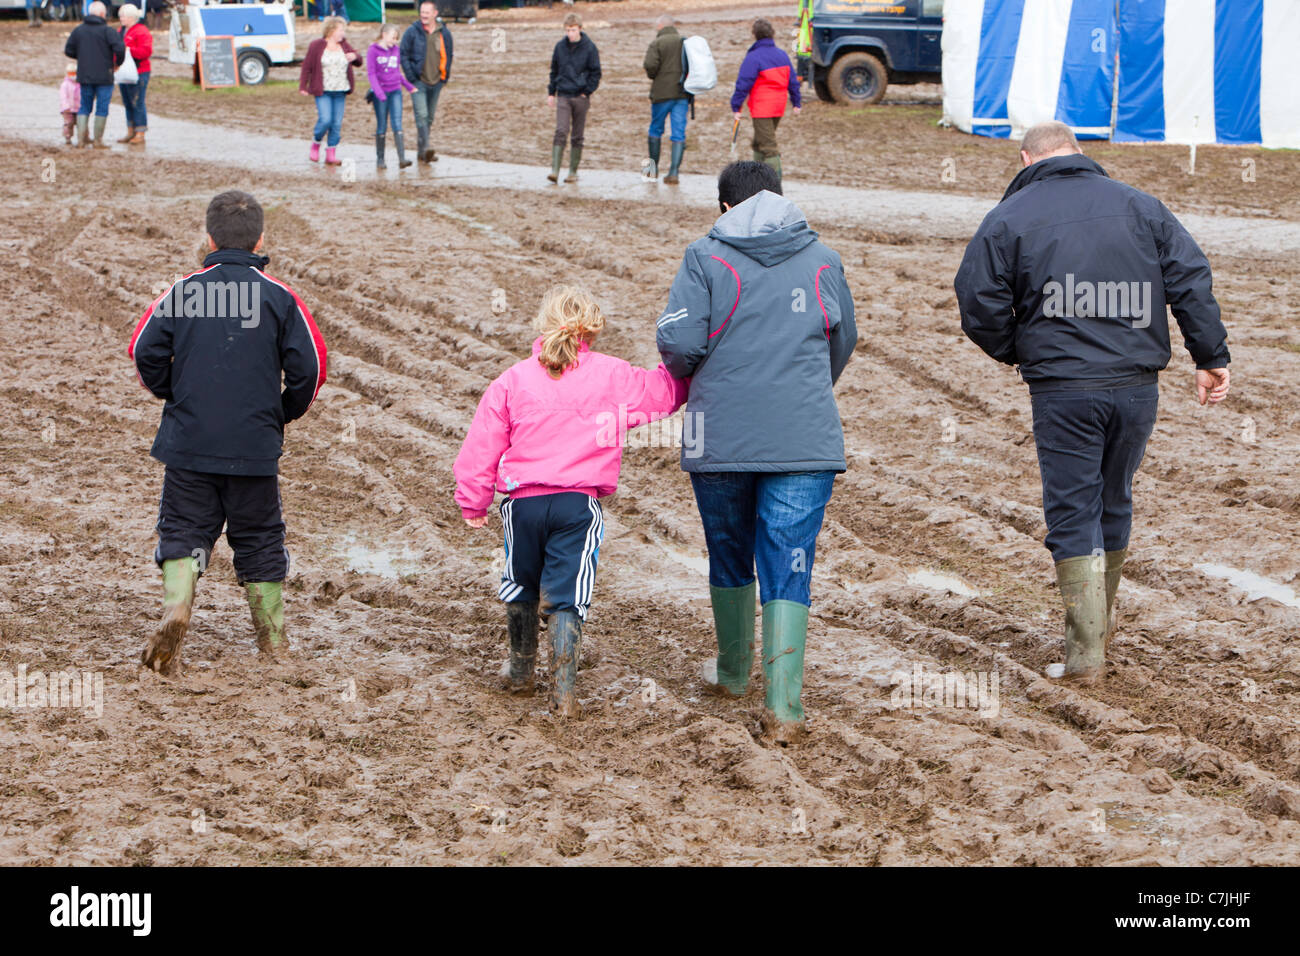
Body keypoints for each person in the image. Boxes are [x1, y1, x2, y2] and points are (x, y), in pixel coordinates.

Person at [954, 121, 1232, 684]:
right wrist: (1211, 357)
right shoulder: (1142, 206)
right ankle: (1095, 636)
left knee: (1072, 508)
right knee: (1114, 499)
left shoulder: (1008, 216)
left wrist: (1021, 351)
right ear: (1079, 152)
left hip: (1064, 390)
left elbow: (977, 301)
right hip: (1136, 386)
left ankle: (1084, 656)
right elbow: (1190, 279)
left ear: (1028, 157)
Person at [655, 162, 857, 745]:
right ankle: (785, 705)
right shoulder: (824, 257)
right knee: (789, 558)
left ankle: (731, 673)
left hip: (720, 435)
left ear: (724, 208)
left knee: (729, 548)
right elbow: (842, 340)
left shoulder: (704, 256)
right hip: (805, 438)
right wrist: (805, 391)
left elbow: (680, 341)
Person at [453, 287, 687, 718]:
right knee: (567, 594)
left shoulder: (514, 378)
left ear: (543, 327)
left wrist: (474, 501)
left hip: (521, 504)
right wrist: (690, 360)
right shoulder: (614, 376)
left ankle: (520, 673)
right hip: (576, 506)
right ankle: (563, 693)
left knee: (520, 580)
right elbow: (665, 395)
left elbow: (482, 443)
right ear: (593, 333)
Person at [129, 191, 328, 675]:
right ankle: (274, 644)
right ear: (261, 239)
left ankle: (177, 611)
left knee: (183, 530)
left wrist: (174, 395)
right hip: (253, 449)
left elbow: (142, 351)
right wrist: (280, 412)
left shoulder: (183, 290)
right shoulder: (280, 296)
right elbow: (313, 367)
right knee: (259, 537)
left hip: (190, 444)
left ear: (209, 237)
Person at [731, 18, 800, 181]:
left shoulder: (753, 57)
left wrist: (736, 105)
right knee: (758, 142)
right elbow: (793, 81)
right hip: (778, 107)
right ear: (772, 34)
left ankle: (773, 185)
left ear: (754, 35)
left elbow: (743, 83)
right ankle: (758, 179)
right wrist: (797, 102)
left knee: (769, 147)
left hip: (762, 108)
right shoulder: (782, 55)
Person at [299, 16, 362, 166]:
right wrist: (303, 86)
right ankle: (316, 142)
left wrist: (355, 56)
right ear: (331, 30)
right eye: (341, 30)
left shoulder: (345, 45)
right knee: (325, 119)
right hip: (323, 91)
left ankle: (331, 154)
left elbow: (359, 61)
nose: (343, 33)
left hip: (341, 90)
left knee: (336, 124)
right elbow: (306, 67)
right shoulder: (316, 45)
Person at [547, 12, 600, 184]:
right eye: (568, 30)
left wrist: (587, 91)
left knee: (577, 135)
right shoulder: (559, 47)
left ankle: (572, 171)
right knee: (561, 131)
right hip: (563, 94)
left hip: (580, 96)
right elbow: (554, 71)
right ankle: (554, 170)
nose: (570, 34)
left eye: (573, 30)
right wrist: (551, 92)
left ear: (580, 29)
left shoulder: (589, 47)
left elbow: (596, 72)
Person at [64, 1, 125, 149]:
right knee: (102, 107)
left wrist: (81, 56)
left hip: (85, 74)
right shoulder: (108, 31)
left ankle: (81, 140)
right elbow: (120, 49)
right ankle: (98, 141)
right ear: (103, 14)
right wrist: (117, 63)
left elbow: (68, 50)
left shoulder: (79, 30)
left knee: (84, 106)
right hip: (105, 74)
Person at [400, 1, 454, 165]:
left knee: (429, 118)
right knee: (421, 115)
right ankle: (425, 150)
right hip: (419, 82)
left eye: (427, 12)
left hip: (436, 81)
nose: (423, 15)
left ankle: (421, 151)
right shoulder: (412, 32)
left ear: (435, 13)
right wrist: (411, 77)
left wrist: (444, 78)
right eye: (422, 12)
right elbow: (403, 54)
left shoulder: (444, 33)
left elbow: (449, 55)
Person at [643, 13, 687, 184]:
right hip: (682, 93)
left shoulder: (657, 43)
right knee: (678, 133)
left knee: (655, 130)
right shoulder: (685, 42)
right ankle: (674, 172)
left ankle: (652, 171)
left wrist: (656, 76)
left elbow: (650, 66)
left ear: (660, 26)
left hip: (661, 94)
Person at [367, 22, 415, 169]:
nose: (395, 41)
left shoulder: (396, 50)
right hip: (381, 92)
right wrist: (379, 93)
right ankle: (380, 159)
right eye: (393, 38)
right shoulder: (373, 50)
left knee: (397, 123)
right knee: (382, 124)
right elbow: (371, 74)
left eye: (396, 38)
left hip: (395, 91)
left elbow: (397, 72)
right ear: (384, 35)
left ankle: (402, 158)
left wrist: (408, 86)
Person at [117, 4, 152, 146]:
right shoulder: (121, 31)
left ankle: (140, 131)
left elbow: (146, 51)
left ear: (131, 17)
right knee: (127, 102)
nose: (120, 18)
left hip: (139, 71)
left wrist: (128, 50)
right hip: (124, 71)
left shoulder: (141, 31)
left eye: (123, 16)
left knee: (137, 101)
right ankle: (130, 130)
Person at [60, 62, 81, 145]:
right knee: (68, 124)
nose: (73, 75)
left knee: (81, 123)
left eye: (74, 73)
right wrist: (66, 106)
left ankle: (84, 137)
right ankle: (67, 137)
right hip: (68, 109)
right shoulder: (65, 85)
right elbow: (63, 97)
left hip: (78, 108)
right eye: (70, 73)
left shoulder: (80, 84)